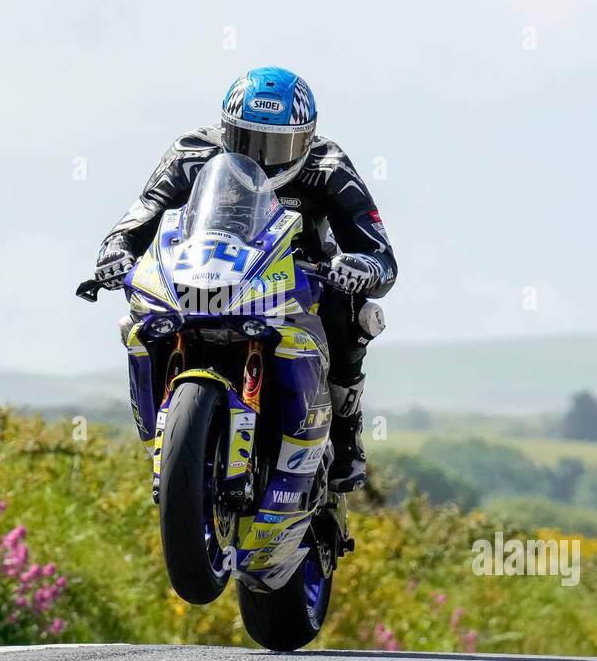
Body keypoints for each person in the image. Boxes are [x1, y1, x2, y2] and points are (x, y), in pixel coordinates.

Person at [93, 66, 396, 491]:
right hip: (205, 268)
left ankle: (346, 429)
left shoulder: (329, 165)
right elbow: (138, 217)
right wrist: (116, 251)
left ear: (306, 140)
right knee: (137, 317)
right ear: (225, 129)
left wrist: (361, 267)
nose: (261, 158)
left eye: (278, 145)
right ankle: (168, 426)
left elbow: (379, 253)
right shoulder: (191, 153)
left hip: (296, 279)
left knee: (350, 311)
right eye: (246, 141)